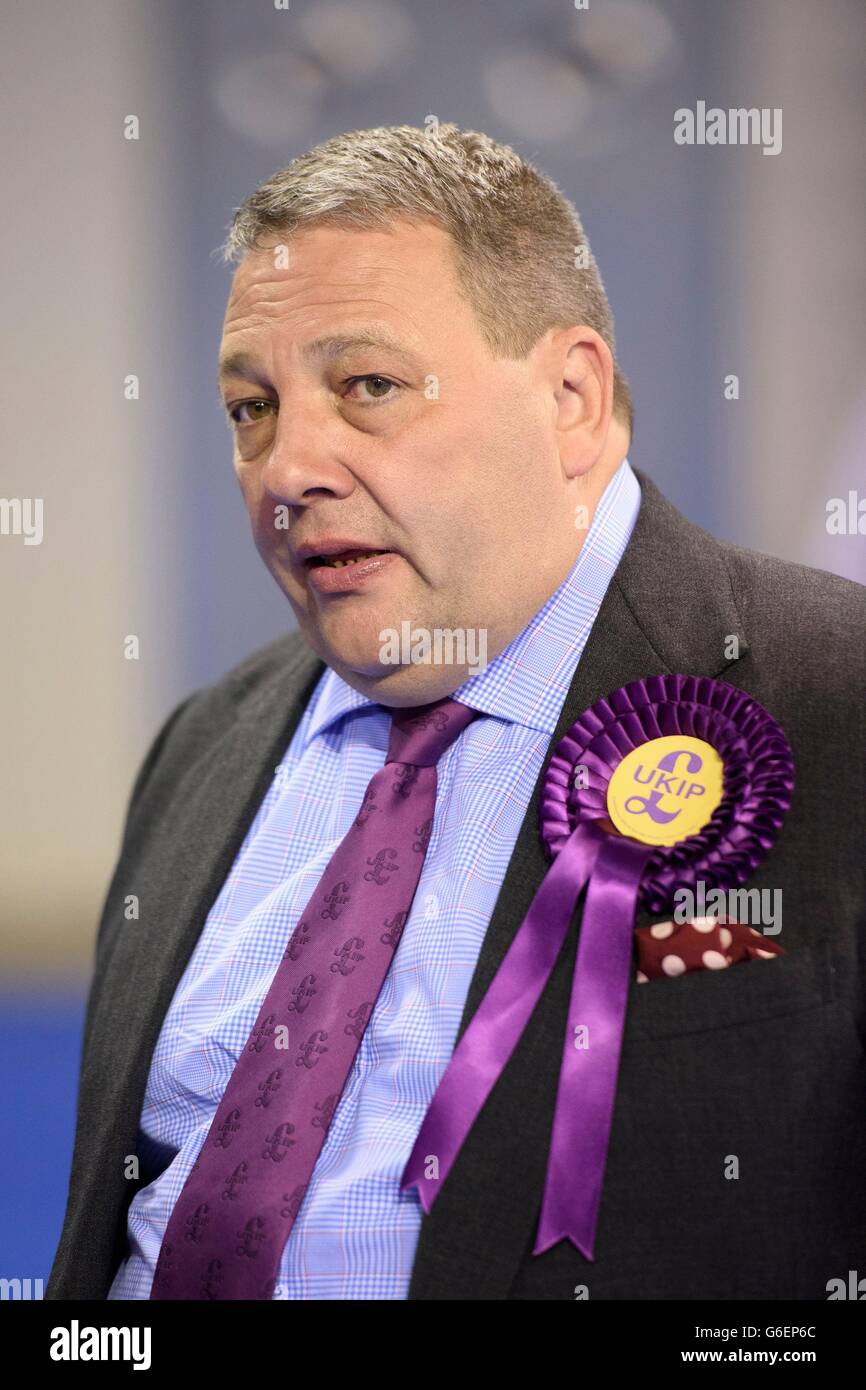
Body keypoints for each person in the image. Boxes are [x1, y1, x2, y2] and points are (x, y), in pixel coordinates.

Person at [47, 123, 866, 1301]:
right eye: (249, 407)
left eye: (367, 386)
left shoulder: (834, 702)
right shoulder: (201, 745)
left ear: (572, 398)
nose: (287, 468)